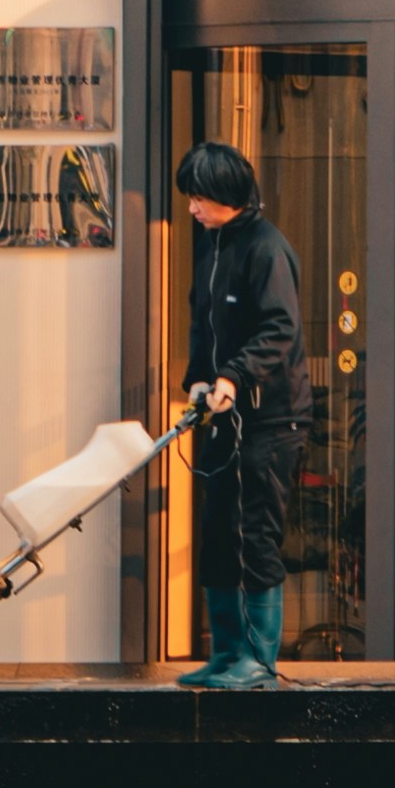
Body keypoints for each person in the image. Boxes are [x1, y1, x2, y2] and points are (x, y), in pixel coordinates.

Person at [174, 139, 310, 691]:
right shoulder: (210, 244)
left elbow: (279, 328)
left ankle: (258, 659)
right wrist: (199, 379)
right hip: (221, 415)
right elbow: (201, 324)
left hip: (271, 419)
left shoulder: (266, 248)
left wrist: (234, 375)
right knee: (216, 531)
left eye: (199, 198)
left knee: (256, 534)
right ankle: (225, 651)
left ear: (229, 194)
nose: (192, 208)